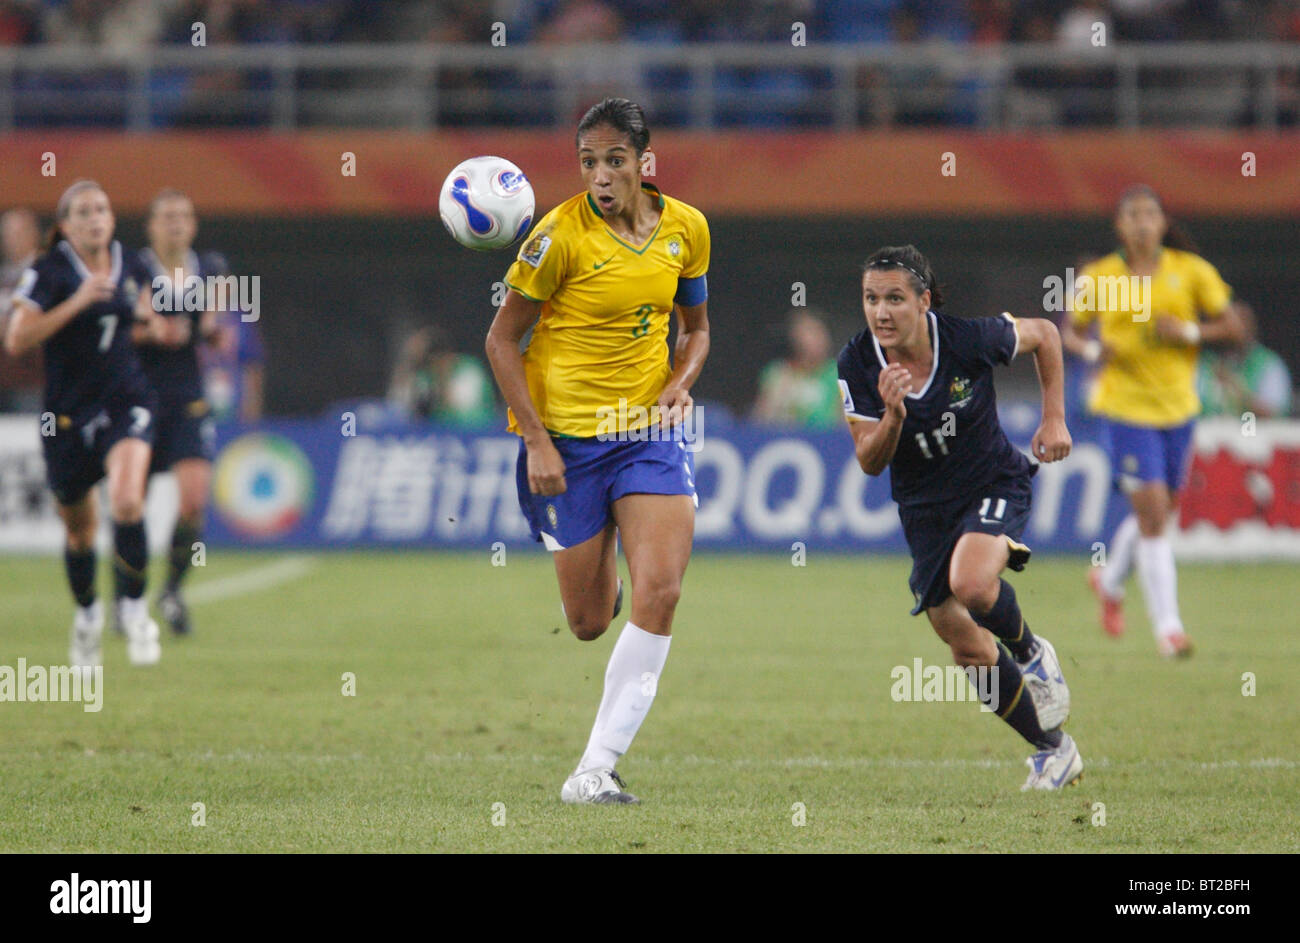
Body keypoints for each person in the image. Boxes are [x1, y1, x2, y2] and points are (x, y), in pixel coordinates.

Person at [485, 97, 710, 804]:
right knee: (588, 621)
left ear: (647, 164)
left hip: (648, 433)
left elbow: (697, 329)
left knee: (663, 588)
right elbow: (500, 342)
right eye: (589, 161)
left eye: (615, 160)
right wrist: (539, 443)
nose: (601, 175)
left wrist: (680, 384)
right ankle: (603, 565)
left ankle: (594, 768)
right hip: (567, 446)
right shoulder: (556, 239)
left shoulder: (687, 229)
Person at [838, 245, 1081, 791]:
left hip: (992, 482)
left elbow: (1044, 333)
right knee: (963, 642)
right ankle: (1053, 749)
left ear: (924, 301)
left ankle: (1032, 654)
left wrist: (1054, 419)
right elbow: (870, 461)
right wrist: (894, 415)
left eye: (895, 298)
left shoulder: (968, 338)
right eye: (871, 298)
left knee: (971, 583)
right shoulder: (857, 362)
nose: (881, 311)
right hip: (925, 512)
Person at [1063, 185, 1244, 655]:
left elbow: (1233, 326)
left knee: (1160, 513)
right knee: (1155, 516)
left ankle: (1109, 582)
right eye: (1133, 215)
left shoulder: (1192, 272)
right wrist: (1095, 349)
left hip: (1179, 407)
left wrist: (1186, 330)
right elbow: (1072, 333)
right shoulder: (1099, 277)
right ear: (1120, 226)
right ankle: (1169, 629)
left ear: (1163, 223)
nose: (1143, 221)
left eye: (1150, 214)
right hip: (1125, 407)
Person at [4, 180, 164, 668]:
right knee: (79, 532)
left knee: (128, 500)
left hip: (125, 401)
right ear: (66, 226)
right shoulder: (49, 271)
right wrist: (77, 302)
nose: (95, 218)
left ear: (112, 219)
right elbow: (16, 340)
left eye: (102, 209)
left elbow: (147, 319)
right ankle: (88, 615)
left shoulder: (133, 264)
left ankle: (134, 609)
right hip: (65, 416)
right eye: (83, 212)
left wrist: (152, 324)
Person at [130, 188, 225, 636]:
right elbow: (115, 329)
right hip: (138, 398)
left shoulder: (211, 269)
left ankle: (170, 590)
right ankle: (127, 598)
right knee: (131, 504)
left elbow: (219, 328)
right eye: (167, 216)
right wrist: (149, 332)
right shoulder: (133, 270)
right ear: (151, 225)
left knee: (193, 501)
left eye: (184, 216)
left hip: (189, 397)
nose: (176, 224)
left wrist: (214, 333)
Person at [1197, 301, 1292, 419]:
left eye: (1240, 323)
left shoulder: (1268, 364)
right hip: (1206, 433)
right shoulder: (1203, 362)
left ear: (1251, 328)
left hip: (1254, 434)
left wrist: (1236, 388)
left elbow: (1273, 413)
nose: (1232, 329)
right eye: (1225, 324)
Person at [387, 324, 497, 426]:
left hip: (477, 431)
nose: (435, 367)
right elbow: (398, 406)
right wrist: (410, 361)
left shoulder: (469, 369)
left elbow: (460, 413)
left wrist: (443, 379)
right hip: (438, 435)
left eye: (437, 361)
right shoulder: (425, 374)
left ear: (447, 355)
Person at [752, 309, 844, 429]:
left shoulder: (840, 373)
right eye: (809, 333)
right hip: (786, 437)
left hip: (825, 438)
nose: (816, 339)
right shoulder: (778, 372)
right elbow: (759, 419)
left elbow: (846, 421)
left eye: (820, 332)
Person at [0, 207, 44, 411]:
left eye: (17, 233)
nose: (11, 240)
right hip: (5, 377)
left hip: (33, 381)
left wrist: (9, 326)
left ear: (33, 234)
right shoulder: (4, 276)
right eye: (7, 234)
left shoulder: (47, 274)